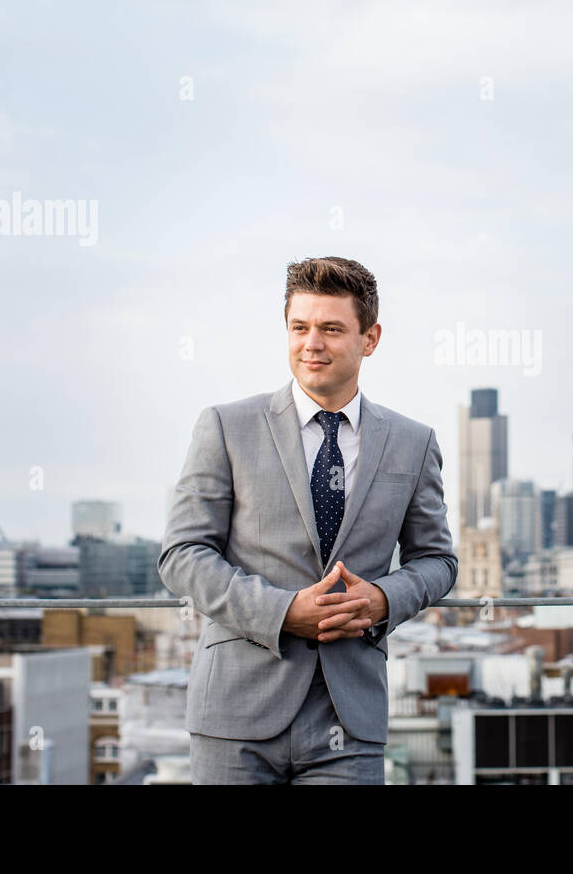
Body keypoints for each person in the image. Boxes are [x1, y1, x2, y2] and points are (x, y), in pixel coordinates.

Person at [159, 255, 457, 783]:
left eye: (331, 329)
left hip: (350, 717)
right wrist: (281, 612)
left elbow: (437, 560)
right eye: (300, 327)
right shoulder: (227, 427)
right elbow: (182, 555)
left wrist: (385, 599)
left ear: (370, 338)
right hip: (236, 712)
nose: (311, 344)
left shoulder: (414, 443)